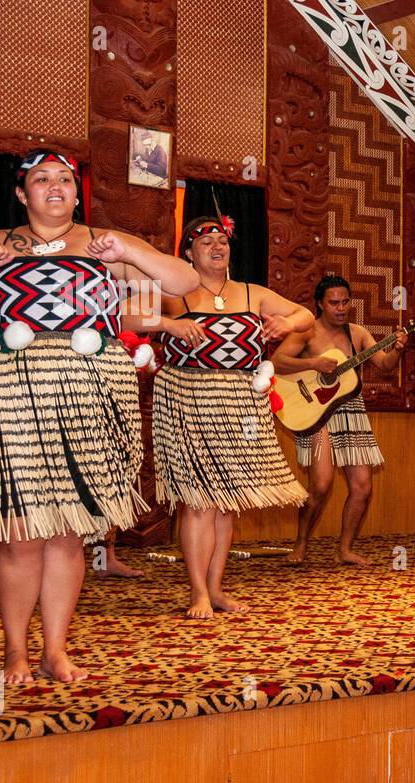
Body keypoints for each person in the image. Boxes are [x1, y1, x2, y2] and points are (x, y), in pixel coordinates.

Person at [0, 149, 198, 683]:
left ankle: (55, 649)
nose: (55, 186)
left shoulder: (103, 243)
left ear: (76, 191)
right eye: (42, 179)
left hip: (91, 390)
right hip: (15, 392)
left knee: (66, 531)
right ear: (22, 193)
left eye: (65, 178)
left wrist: (128, 248)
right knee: (19, 533)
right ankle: (16, 649)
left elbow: (180, 281)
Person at [154, 216, 313, 618]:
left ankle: (216, 589)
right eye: (205, 241)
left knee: (226, 503)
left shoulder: (251, 293)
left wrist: (285, 321)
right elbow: (127, 316)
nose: (216, 246)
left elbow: (305, 316)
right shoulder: (176, 293)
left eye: (222, 239)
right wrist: (168, 324)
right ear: (188, 252)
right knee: (199, 501)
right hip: (189, 398)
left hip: (241, 402)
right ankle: (197, 593)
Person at [272, 275, 406, 565]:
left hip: (351, 411)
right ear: (320, 304)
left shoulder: (356, 333)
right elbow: (277, 361)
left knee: (362, 486)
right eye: (334, 302)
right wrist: (313, 364)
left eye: (345, 302)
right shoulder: (305, 332)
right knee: (321, 485)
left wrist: (395, 349)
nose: (341, 307)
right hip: (315, 412)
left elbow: (383, 365)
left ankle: (345, 549)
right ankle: (301, 543)